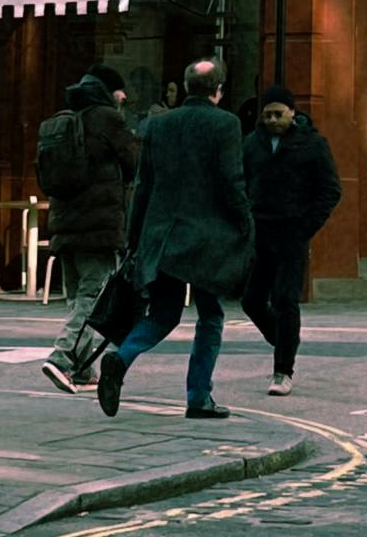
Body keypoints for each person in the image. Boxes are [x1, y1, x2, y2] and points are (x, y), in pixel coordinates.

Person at [98, 58, 253, 420]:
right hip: (206, 239)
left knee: (164, 313)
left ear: (185, 88)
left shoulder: (158, 124)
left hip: (162, 235)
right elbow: (232, 182)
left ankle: (120, 360)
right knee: (211, 316)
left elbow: (143, 185)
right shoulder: (226, 124)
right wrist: (245, 224)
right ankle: (199, 397)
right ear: (219, 89)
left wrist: (134, 238)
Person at [36, 64, 140, 393]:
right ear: (110, 91)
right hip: (98, 226)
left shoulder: (64, 118)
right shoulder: (108, 118)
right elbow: (133, 163)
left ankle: (82, 369)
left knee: (77, 297)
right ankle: (62, 358)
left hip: (64, 223)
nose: (124, 98)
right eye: (120, 92)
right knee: (92, 299)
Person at [241, 88, 343, 387]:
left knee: (286, 299)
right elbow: (241, 181)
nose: (272, 120)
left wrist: (305, 226)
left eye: (278, 114)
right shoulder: (252, 144)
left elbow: (330, 190)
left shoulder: (312, 144)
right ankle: (285, 339)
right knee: (252, 300)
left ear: (292, 114)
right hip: (260, 230)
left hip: (292, 232)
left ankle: (283, 370)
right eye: (267, 114)